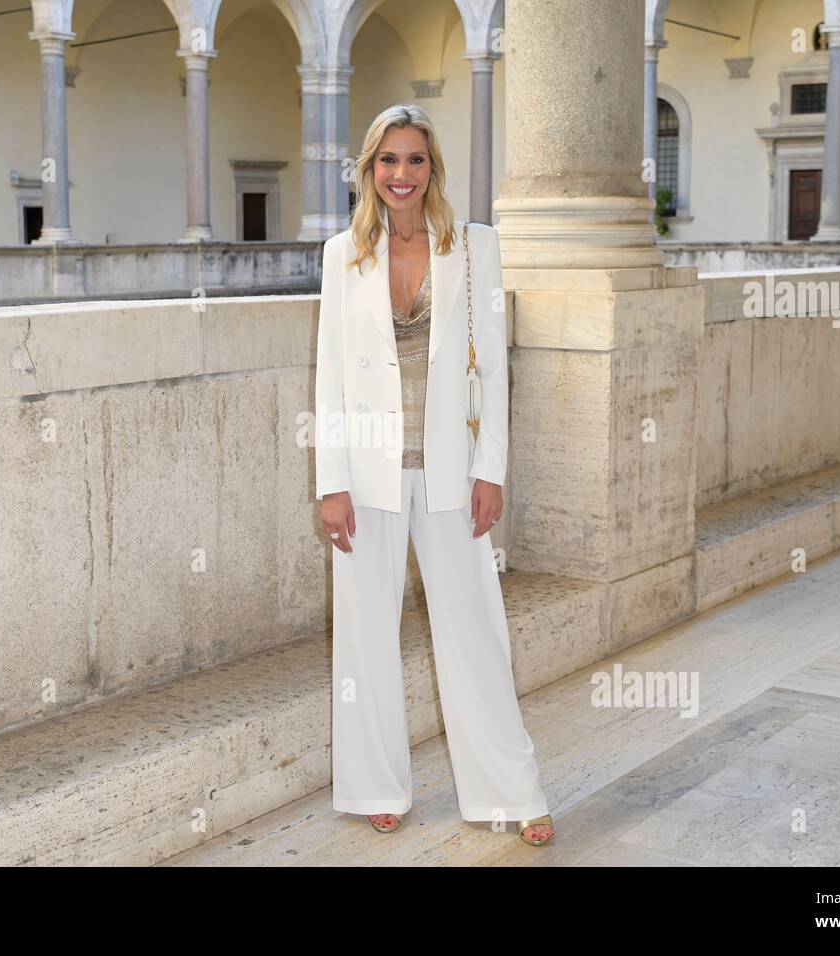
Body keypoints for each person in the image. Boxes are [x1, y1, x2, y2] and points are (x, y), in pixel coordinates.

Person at [314, 104, 553, 847]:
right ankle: (375, 784)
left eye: (415, 160)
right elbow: (329, 375)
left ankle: (512, 791)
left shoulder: (475, 247)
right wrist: (331, 480)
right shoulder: (341, 253)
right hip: (367, 471)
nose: (401, 174)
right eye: (388, 160)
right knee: (364, 638)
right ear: (368, 170)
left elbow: (495, 371)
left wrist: (491, 469)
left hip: (452, 472)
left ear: (433, 168)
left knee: (476, 631)